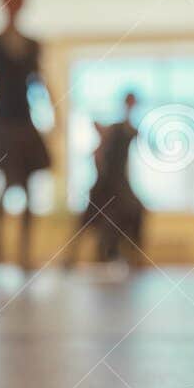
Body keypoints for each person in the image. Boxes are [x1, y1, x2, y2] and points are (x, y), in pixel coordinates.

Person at [0, 0, 57, 268]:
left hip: (24, 119)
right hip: (2, 119)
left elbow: (41, 80)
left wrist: (56, 112)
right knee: (2, 184)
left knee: (27, 188)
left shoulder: (34, 44)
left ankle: (24, 252)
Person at [63, 91, 145, 267]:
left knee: (133, 212)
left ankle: (130, 257)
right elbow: (98, 149)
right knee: (86, 220)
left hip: (120, 184)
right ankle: (71, 258)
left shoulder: (128, 130)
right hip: (105, 183)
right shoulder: (114, 129)